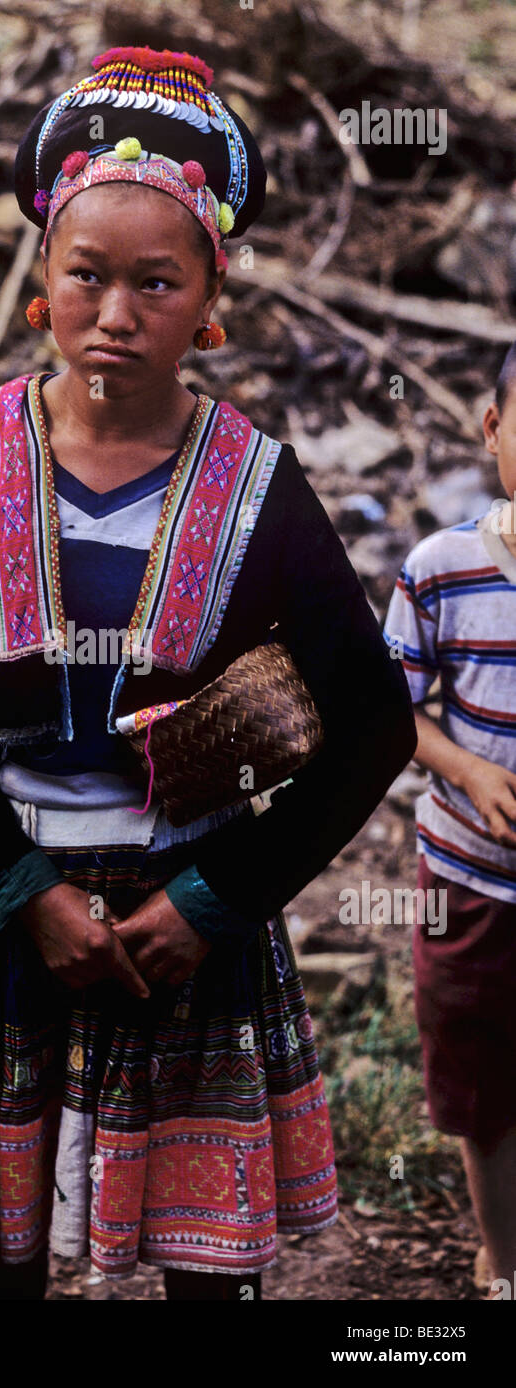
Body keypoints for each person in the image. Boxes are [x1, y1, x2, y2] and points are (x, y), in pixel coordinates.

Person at [0, 45, 417, 1301]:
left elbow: (374, 723)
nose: (117, 311)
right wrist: (23, 892)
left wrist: (215, 899)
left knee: (206, 1269)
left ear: (212, 295)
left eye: (157, 282)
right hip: (3, 917)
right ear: (43, 286)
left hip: (184, 934)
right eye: (87, 275)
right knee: (1, 1264)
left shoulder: (260, 495)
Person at [383, 340, 516, 1295]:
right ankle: (505, 1261)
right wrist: (465, 767)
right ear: (492, 430)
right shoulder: (444, 569)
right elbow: (387, 712)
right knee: (482, 1090)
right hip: (472, 883)